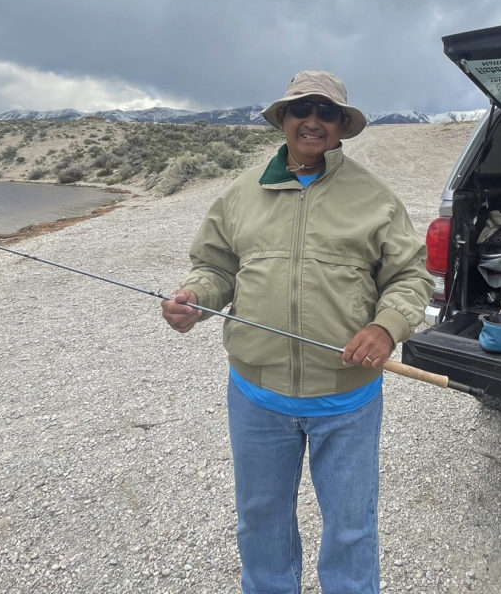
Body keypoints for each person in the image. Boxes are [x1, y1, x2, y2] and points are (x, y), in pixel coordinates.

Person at [161, 70, 432, 594]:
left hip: (347, 400)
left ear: (342, 125)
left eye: (326, 112)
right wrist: (196, 297)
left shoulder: (374, 197)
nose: (313, 121)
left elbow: (410, 276)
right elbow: (215, 267)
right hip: (256, 396)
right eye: (301, 109)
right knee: (260, 520)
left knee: (351, 527)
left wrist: (386, 327)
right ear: (283, 118)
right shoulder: (241, 194)